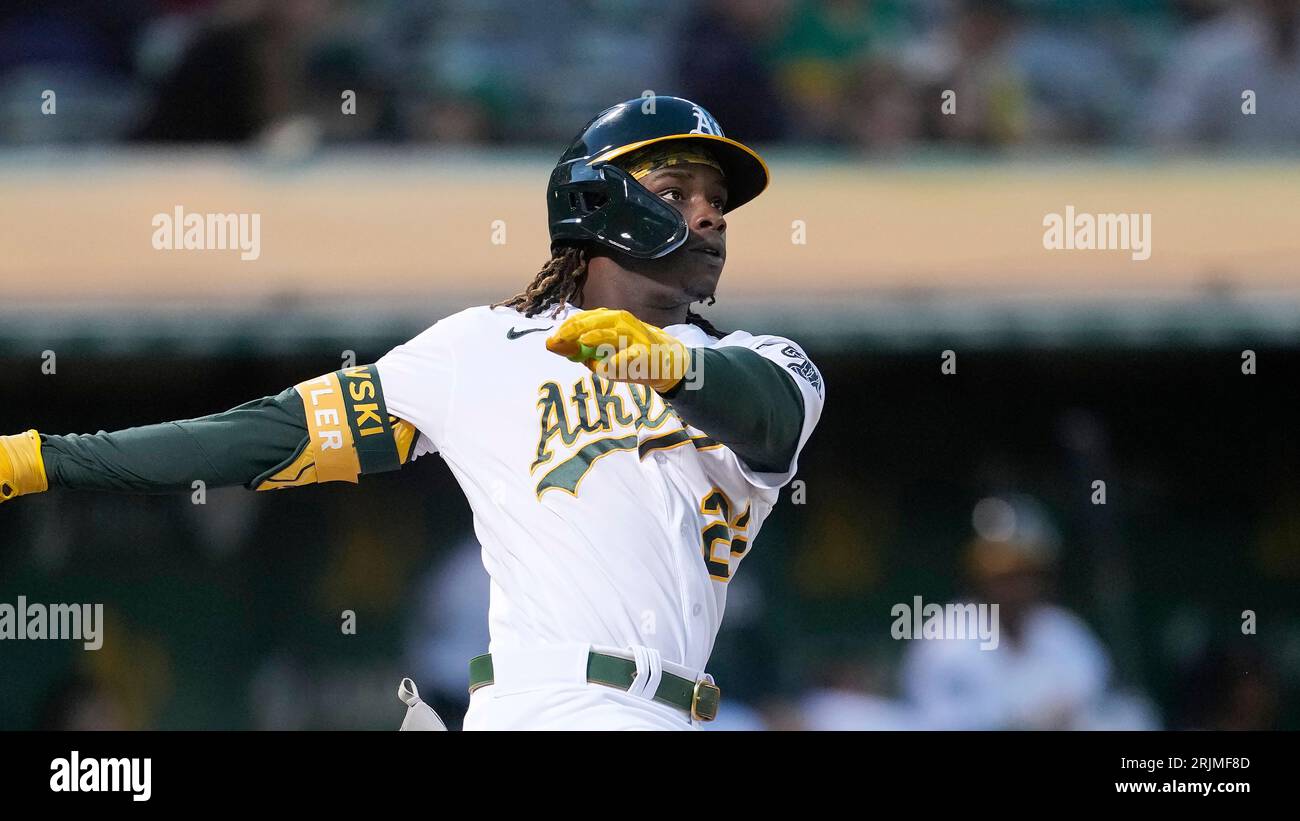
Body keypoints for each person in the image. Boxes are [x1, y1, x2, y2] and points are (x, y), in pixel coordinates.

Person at [0, 96, 825, 730]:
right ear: (599, 203)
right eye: (676, 191)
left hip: (675, 708)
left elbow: (770, 416)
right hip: (543, 702)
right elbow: (264, 435)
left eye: (718, 200)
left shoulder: (765, 361)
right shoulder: (484, 347)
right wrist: (50, 456)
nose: (710, 215)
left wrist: (663, 361)